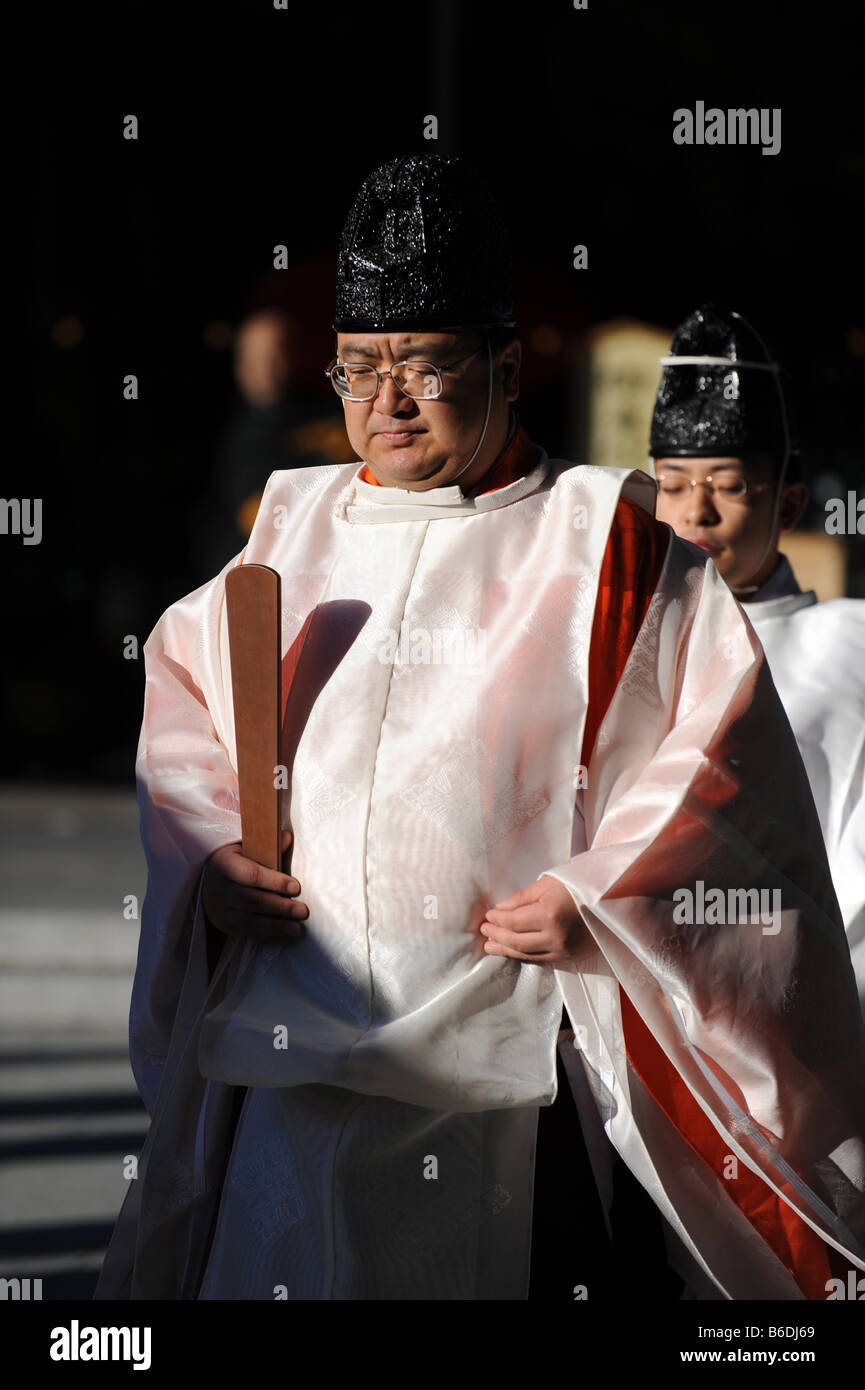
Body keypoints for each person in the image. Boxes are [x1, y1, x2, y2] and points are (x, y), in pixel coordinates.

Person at [96, 157, 865, 1302]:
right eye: (360, 368)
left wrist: (602, 894)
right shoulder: (293, 526)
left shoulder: (602, 543)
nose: (385, 403)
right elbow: (189, 703)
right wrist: (211, 854)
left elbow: (721, 755)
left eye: (427, 367)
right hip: (291, 1058)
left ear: (506, 367)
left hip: (513, 1068)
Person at [651, 304, 865, 1015]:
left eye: (729, 484)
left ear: (789, 502)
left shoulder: (848, 644)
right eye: (672, 485)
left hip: (804, 996)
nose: (695, 513)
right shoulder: (619, 652)